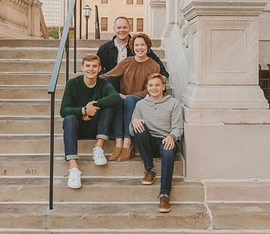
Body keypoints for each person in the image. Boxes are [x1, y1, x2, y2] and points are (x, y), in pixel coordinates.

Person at [96, 17, 164, 155]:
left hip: (141, 99)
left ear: (148, 47)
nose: (140, 48)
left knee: (129, 100)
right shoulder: (126, 61)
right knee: (117, 100)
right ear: (132, 48)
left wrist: (128, 96)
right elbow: (108, 74)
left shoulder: (153, 65)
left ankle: (128, 142)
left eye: (143, 45)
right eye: (137, 45)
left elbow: (150, 90)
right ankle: (118, 143)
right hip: (125, 96)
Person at [58, 55, 121, 192]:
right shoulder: (72, 83)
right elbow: (63, 110)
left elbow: (116, 98)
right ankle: (73, 167)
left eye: (94, 66)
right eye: (87, 66)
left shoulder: (103, 83)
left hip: (97, 126)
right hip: (77, 128)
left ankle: (98, 148)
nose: (91, 69)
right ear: (82, 67)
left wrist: (94, 106)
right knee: (69, 119)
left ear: (99, 69)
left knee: (109, 105)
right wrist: (83, 110)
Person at [127, 68, 185, 214]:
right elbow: (131, 130)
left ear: (163, 86)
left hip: (167, 141)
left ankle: (164, 195)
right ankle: (149, 169)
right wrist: (134, 121)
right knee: (138, 126)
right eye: (151, 85)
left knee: (167, 152)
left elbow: (178, 127)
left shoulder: (173, 103)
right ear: (147, 88)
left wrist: (172, 137)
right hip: (149, 142)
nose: (154, 88)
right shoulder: (140, 105)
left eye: (157, 85)